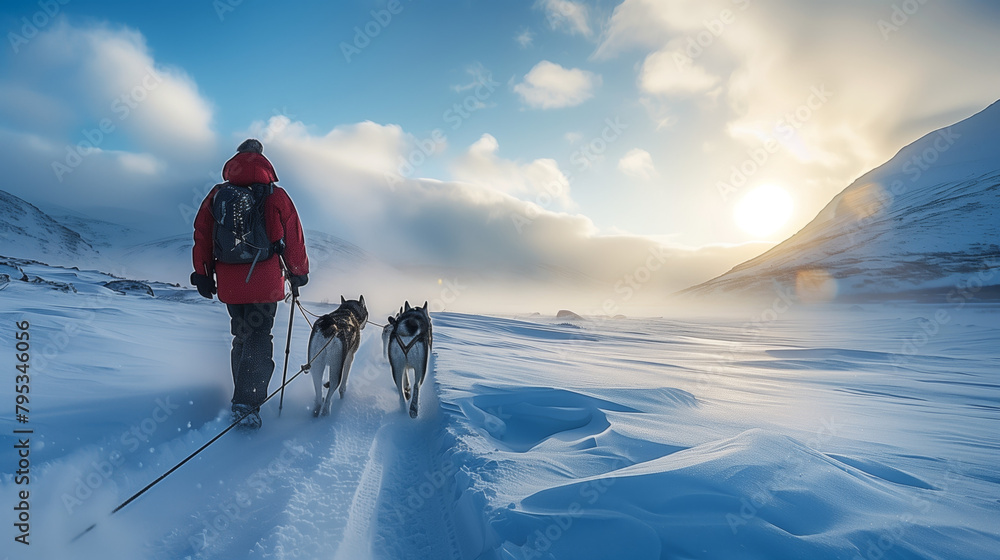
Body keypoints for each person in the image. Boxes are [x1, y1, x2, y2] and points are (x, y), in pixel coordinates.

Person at [191, 139, 309, 429]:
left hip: (230, 281)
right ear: (263, 160)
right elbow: (293, 236)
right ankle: (246, 404)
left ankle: (242, 398)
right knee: (259, 335)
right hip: (265, 281)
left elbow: (202, 234)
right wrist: (298, 272)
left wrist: (203, 274)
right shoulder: (275, 195)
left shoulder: (218, 194)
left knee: (242, 335)